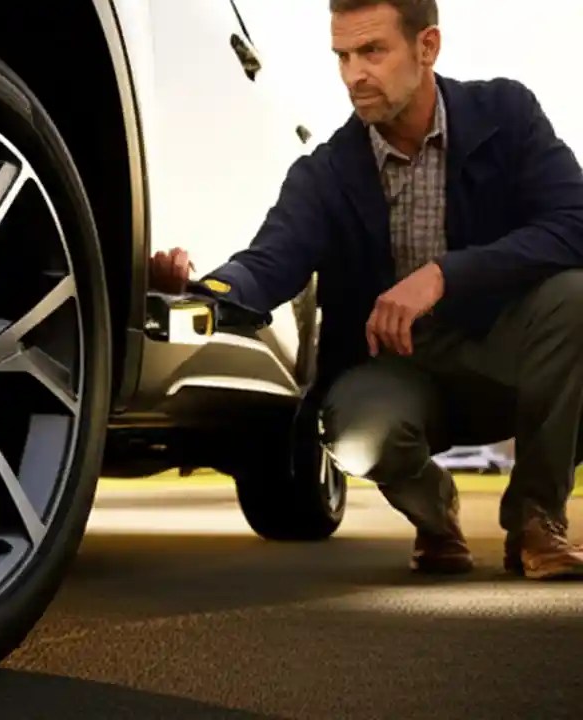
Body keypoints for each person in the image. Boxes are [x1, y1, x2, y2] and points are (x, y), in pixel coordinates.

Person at [151, 0, 583, 579]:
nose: (355, 74)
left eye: (373, 51)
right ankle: (437, 514)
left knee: (577, 297)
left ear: (426, 47)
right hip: (397, 371)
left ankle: (535, 520)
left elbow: (574, 222)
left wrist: (444, 275)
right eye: (343, 56)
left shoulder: (507, 114)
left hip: (505, 350)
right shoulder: (327, 171)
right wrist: (203, 292)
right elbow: (269, 262)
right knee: (356, 433)